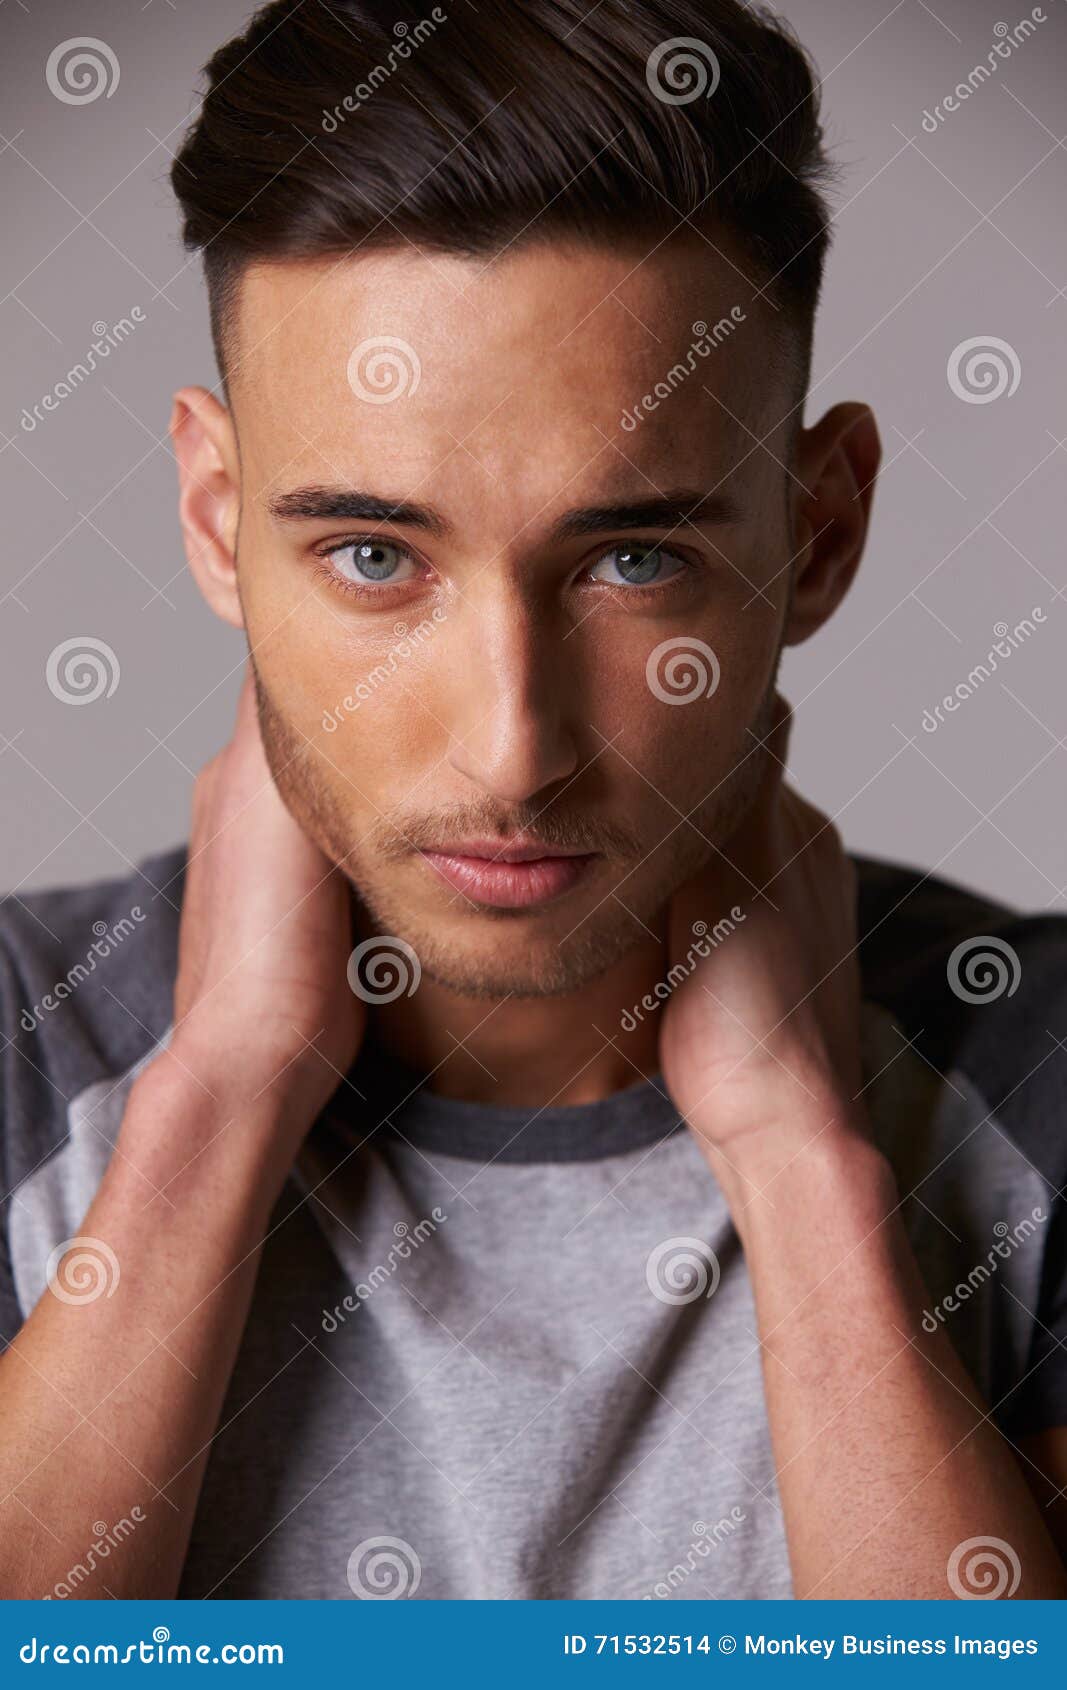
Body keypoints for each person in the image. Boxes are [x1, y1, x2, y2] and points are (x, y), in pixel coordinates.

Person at [1, 0, 1065, 1601]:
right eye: (374, 556)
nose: (510, 751)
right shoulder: (25, 1047)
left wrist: (801, 1154)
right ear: (219, 523)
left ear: (820, 530)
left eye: (635, 559)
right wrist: (217, 1096)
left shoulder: (1037, 1067)